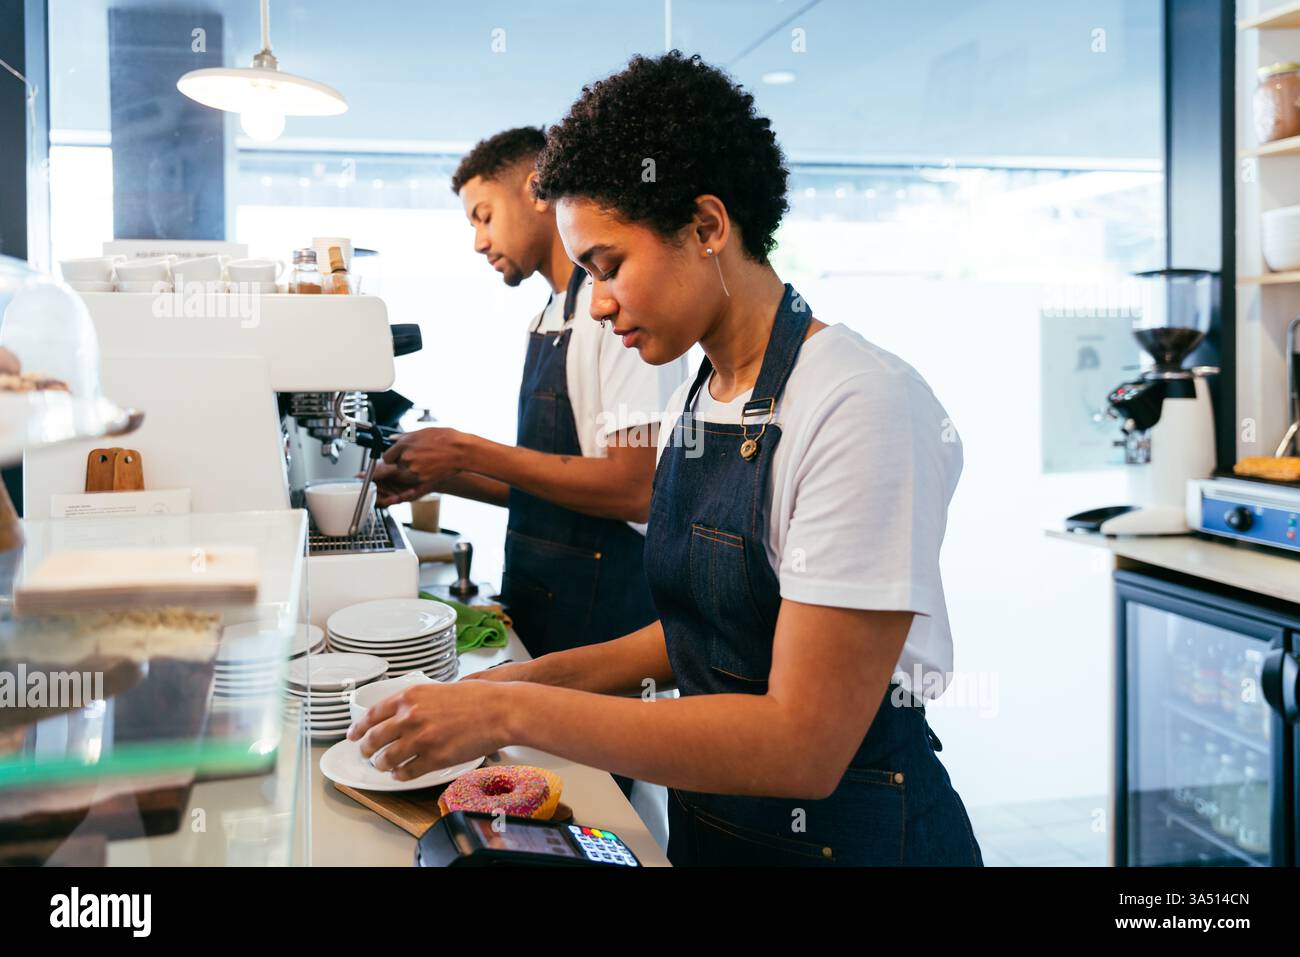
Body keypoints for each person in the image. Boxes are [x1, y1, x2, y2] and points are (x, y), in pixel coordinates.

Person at [352, 52, 983, 866]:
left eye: (610, 267)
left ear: (708, 227)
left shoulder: (858, 404)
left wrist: (510, 719)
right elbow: (700, 634)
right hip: (720, 828)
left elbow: (802, 741)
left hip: (856, 840)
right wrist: (513, 683)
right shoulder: (711, 389)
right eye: (586, 274)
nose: (600, 302)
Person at [374, 127, 687, 658]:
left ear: (536, 191)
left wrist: (466, 449)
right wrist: (441, 477)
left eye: (484, 216)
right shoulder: (545, 318)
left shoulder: (620, 313)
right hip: (542, 607)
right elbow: (552, 489)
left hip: (604, 620)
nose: (478, 241)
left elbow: (636, 488)